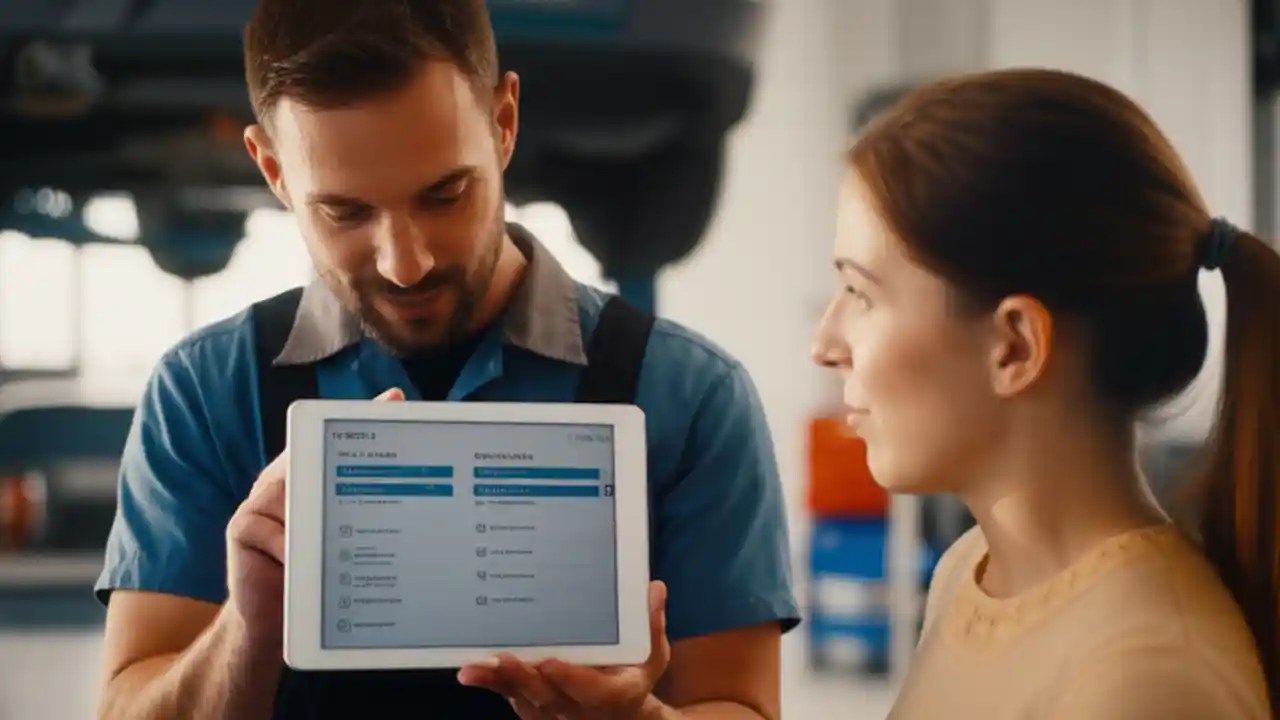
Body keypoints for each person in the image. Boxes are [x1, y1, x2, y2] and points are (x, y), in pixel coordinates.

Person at [94, 2, 798, 718]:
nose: (406, 263)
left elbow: (738, 705)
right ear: (274, 171)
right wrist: (249, 628)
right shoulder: (206, 393)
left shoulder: (691, 396)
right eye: (345, 212)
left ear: (504, 124)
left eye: (446, 194)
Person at [813, 68, 1277, 719]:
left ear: (1016, 347)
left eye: (861, 293)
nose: (825, 342)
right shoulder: (969, 571)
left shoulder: (1149, 678)